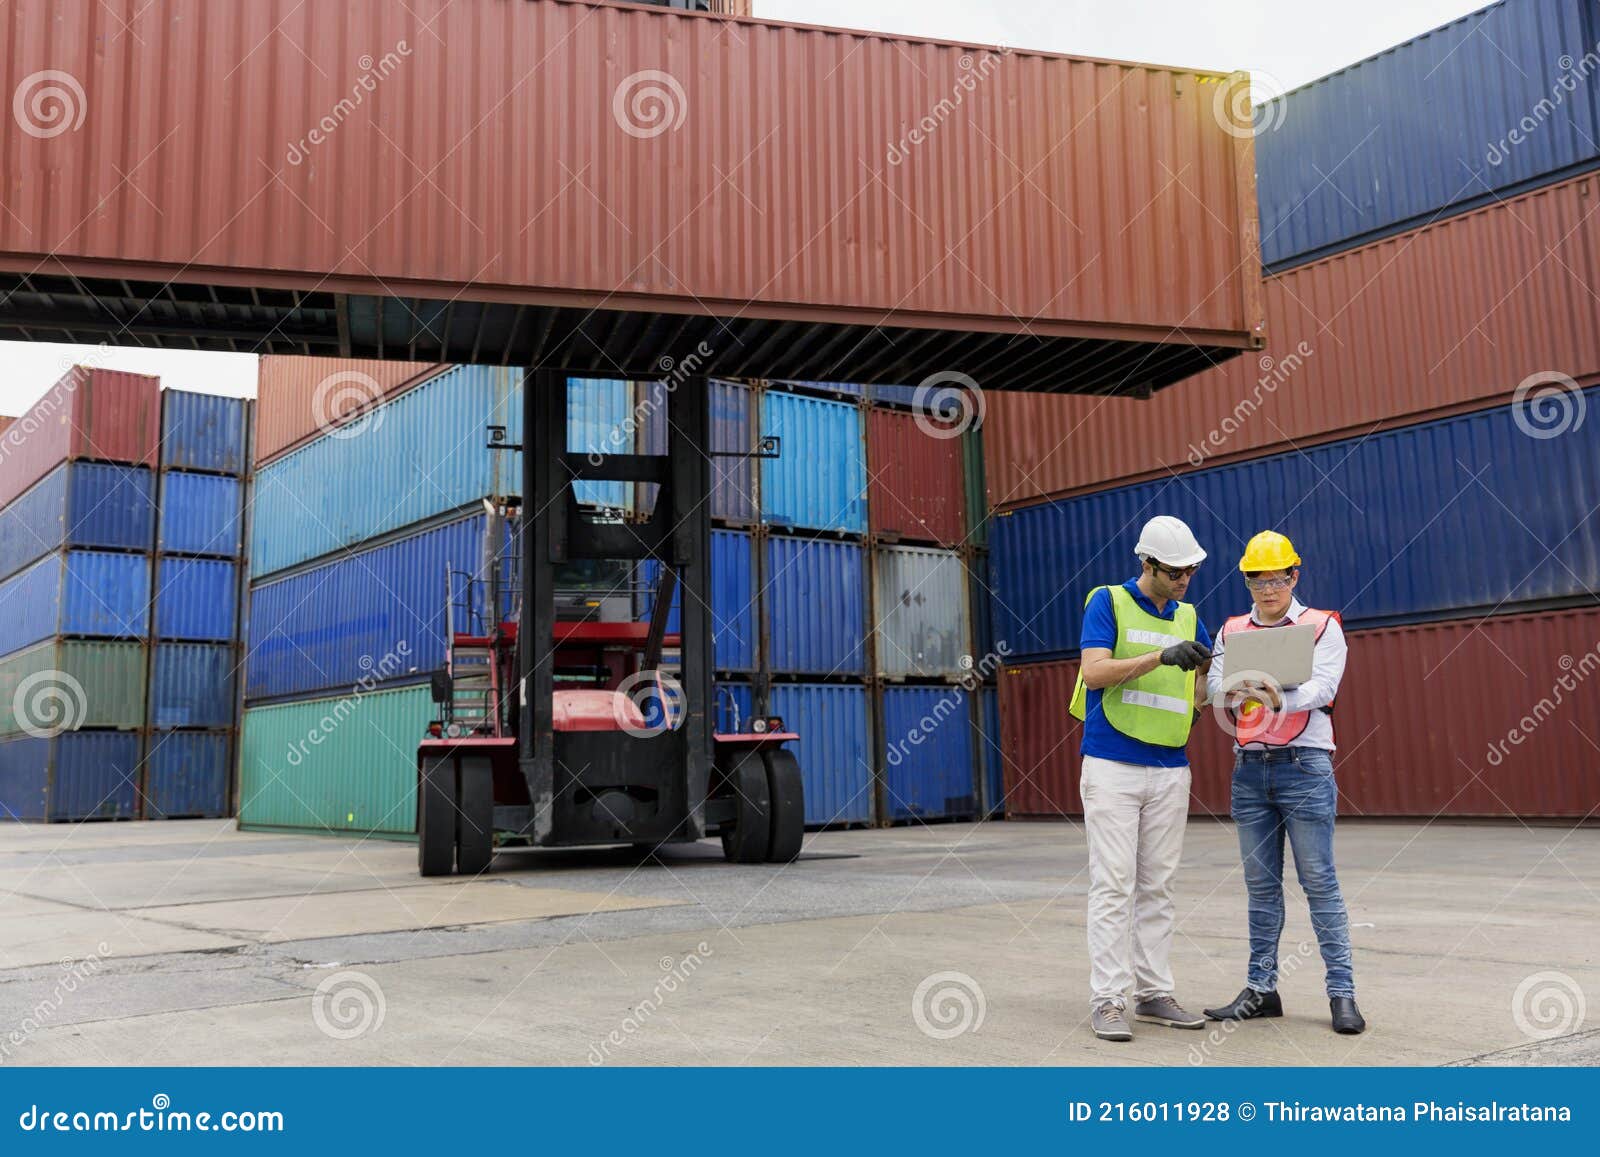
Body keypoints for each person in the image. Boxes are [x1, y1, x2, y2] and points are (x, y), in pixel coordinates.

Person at [1202, 531, 1365, 1035]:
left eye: (1278, 579)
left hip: (1305, 767)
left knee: (1319, 882)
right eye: (1259, 580)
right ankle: (1260, 990)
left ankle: (1342, 994)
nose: (1269, 589)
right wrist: (1246, 692)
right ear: (1247, 581)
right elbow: (1215, 688)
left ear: (1296, 575)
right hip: (1250, 770)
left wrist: (1273, 696)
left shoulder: (1322, 626)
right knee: (1260, 888)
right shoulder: (1231, 631)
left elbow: (1323, 688)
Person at [1069, 515, 1213, 1042]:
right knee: (1114, 885)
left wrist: (1202, 699)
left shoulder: (1190, 615)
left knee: (1158, 886)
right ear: (1147, 564)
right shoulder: (1108, 602)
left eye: (1190, 571)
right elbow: (1094, 672)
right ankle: (1108, 1000)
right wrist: (1159, 657)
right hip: (1112, 765)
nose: (1184, 580)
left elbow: (1203, 679)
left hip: (1171, 767)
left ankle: (1153, 993)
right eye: (1175, 571)